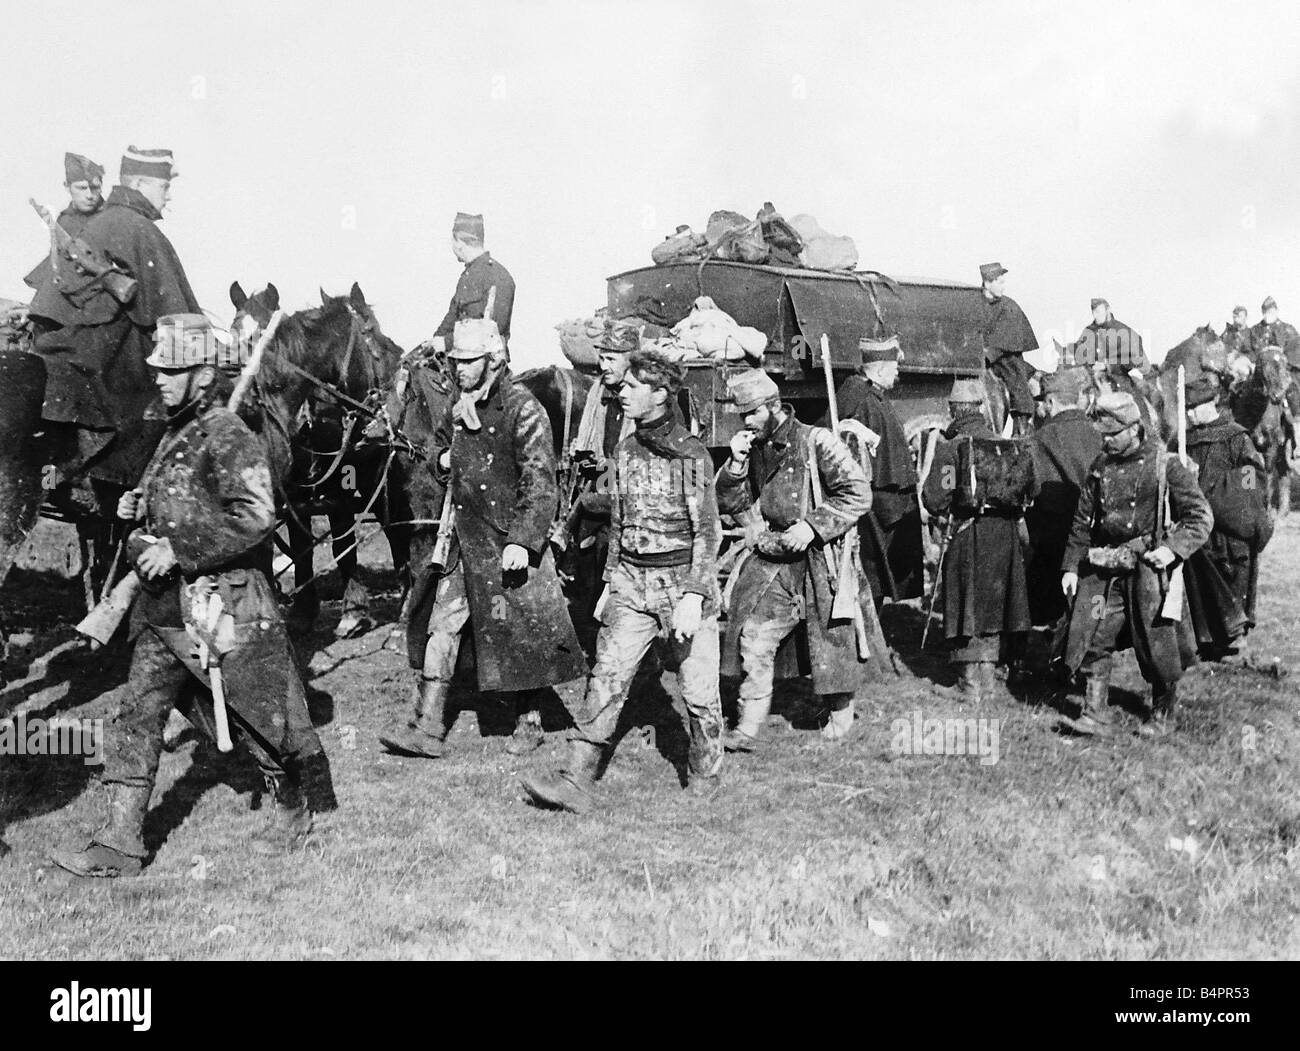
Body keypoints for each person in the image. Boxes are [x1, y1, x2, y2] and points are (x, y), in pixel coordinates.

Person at [49, 315, 331, 878]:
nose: (158, 379)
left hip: (218, 605)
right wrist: (134, 509)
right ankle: (121, 842)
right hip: (161, 608)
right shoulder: (175, 432)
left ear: (202, 376)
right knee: (137, 715)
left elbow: (255, 515)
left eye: (170, 370)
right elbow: (175, 502)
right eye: (157, 369)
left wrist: (180, 550)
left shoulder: (227, 433)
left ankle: (292, 803)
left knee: (255, 716)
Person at [520, 350, 723, 812]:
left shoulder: (691, 456)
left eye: (632, 386)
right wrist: (611, 580)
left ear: (660, 394)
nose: (621, 392)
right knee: (606, 676)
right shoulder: (627, 449)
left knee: (696, 689)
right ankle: (576, 780)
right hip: (631, 581)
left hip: (681, 585)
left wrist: (694, 596)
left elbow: (706, 533)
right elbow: (621, 519)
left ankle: (706, 778)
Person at [379, 316, 587, 759]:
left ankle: (528, 720)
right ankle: (428, 727)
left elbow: (539, 481)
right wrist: (444, 459)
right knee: (443, 627)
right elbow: (435, 452)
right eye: (456, 361)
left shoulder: (523, 408)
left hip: (505, 543)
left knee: (518, 631)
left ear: (493, 360)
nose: (458, 369)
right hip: (461, 540)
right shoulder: (458, 405)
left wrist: (524, 541)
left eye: (469, 361)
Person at [717, 370, 875, 750]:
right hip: (773, 558)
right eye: (743, 416)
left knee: (830, 640)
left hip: (821, 558)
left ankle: (840, 717)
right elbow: (731, 505)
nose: (747, 423)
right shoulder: (755, 447)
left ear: (773, 407)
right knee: (753, 636)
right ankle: (748, 726)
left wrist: (814, 526)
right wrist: (735, 465)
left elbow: (857, 494)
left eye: (751, 414)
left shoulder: (816, 441)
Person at [27, 146, 200, 492]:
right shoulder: (138, 229)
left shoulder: (100, 222)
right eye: (164, 187)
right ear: (138, 183)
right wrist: (229, 359)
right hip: (109, 372)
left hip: (73, 358)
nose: (169, 195)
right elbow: (181, 321)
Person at [1058, 392, 1212, 738]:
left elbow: (1200, 518)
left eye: (1113, 435)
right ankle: (1095, 714)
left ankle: (1163, 713)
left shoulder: (1165, 465)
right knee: (1093, 634)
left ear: (1134, 429)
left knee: (1158, 644)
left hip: (1149, 568)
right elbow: (1082, 522)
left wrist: (1173, 550)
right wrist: (1070, 566)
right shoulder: (1099, 467)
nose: (1106, 442)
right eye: (1103, 435)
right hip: (1107, 566)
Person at [921, 378, 1035, 701]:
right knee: (995, 605)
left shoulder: (951, 447)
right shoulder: (1006, 444)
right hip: (1006, 535)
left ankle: (969, 685)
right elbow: (1030, 489)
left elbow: (934, 498)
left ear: (954, 410)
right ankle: (989, 678)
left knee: (966, 603)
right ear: (981, 409)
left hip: (968, 534)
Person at [556, 319, 640, 656]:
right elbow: (595, 447)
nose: (602, 366)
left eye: (610, 359)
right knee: (588, 548)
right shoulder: (600, 392)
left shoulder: (646, 395)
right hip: (607, 476)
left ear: (631, 359)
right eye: (601, 358)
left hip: (639, 486)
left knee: (610, 547)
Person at [826, 333, 924, 608]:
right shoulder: (863, 400)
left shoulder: (869, 395)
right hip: (878, 508)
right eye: (894, 369)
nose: (897, 374)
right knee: (873, 578)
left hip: (882, 504)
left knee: (877, 577)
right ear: (880, 369)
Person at [1178, 375, 1273, 659]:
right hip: (1199, 525)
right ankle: (1210, 639)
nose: (1191, 415)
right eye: (1187, 410)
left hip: (1230, 525)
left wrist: (1211, 493)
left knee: (1232, 570)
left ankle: (1235, 635)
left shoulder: (1236, 437)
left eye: (1195, 408)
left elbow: (1251, 478)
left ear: (1212, 403)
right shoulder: (1184, 440)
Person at [1025, 369, 1103, 638]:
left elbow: (1031, 488)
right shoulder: (1100, 433)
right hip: (1094, 534)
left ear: (1051, 403)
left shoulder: (1039, 439)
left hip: (1051, 539)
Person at [425, 212, 516, 356]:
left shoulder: (499, 277)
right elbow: (452, 317)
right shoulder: (468, 275)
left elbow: (494, 332)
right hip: (458, 358)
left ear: (459, 243)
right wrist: (434, 342)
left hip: (485, 364)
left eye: (452, 242)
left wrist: (446, 342)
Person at [23, 152, 106, 292]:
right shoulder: (65, 220)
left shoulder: (112, 217)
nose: (90, 195)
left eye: (95, 188)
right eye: (82, 188)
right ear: (67, 187)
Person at [976, 262, 1038, 435]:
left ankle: (1021, 424)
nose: (1004, 287)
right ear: (987, 283)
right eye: (1000, 282)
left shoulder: (1009, 306)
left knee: (1015, 375)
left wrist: (988, 354)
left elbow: (1005, 338)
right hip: (978, 355)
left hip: (1003, 356)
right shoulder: (975, 303)